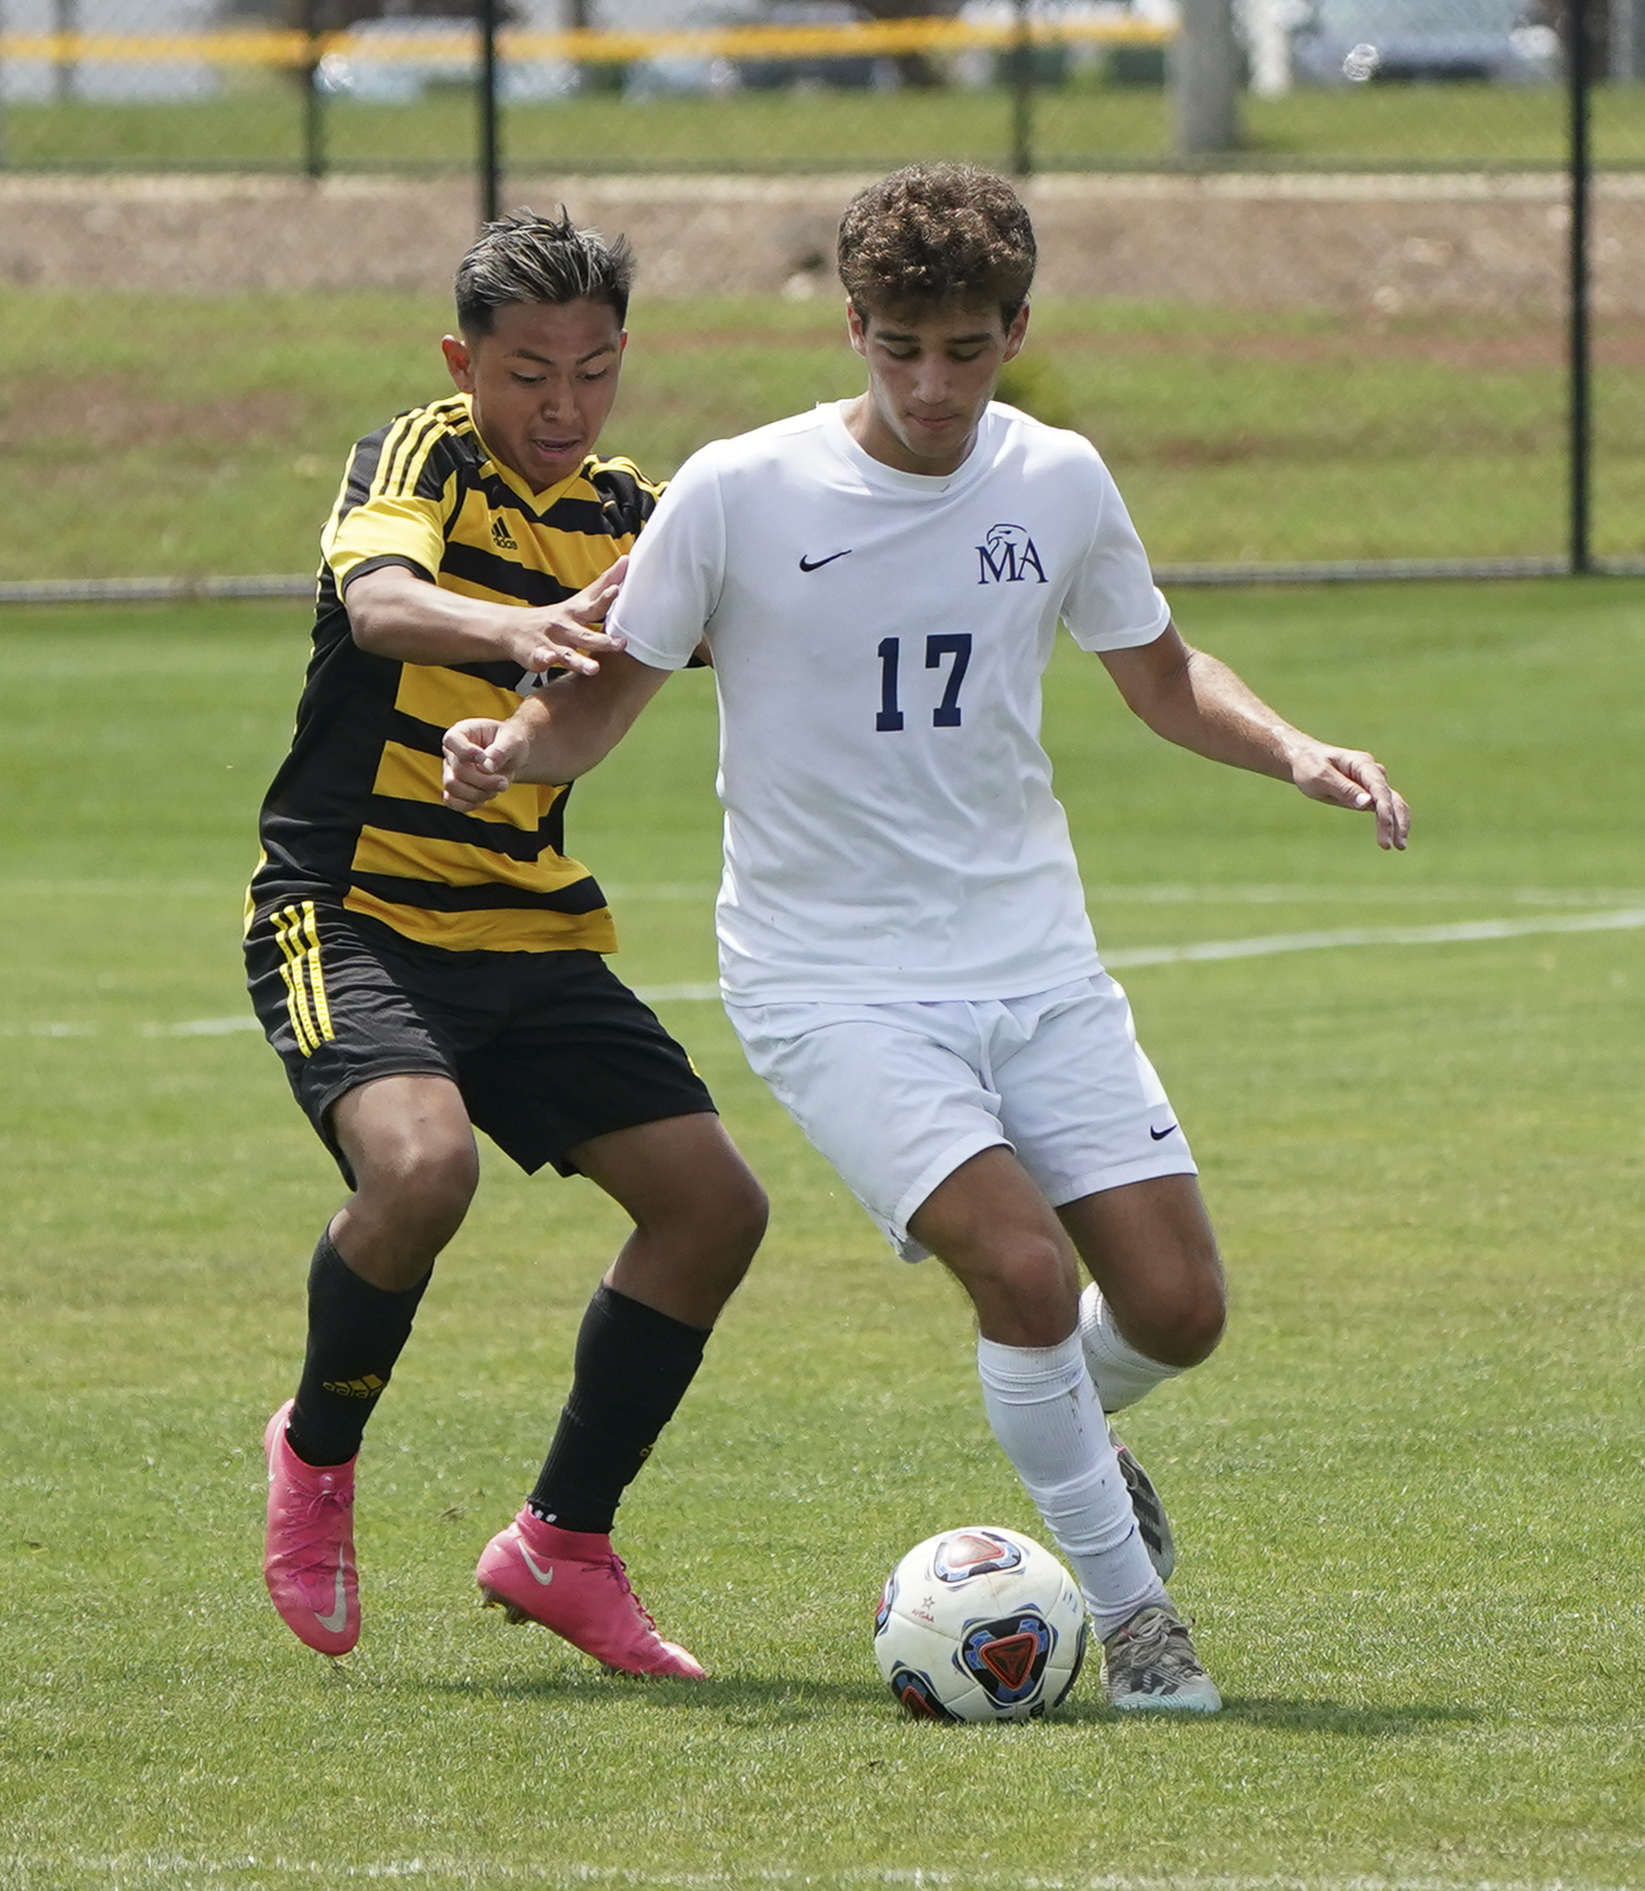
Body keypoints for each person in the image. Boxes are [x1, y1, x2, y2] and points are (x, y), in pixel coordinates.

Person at [441, 165, 1411, 1713]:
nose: (933, 384)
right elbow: (599, 704)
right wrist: (511, 750)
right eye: (900, 347)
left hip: (1032, 960)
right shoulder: (738, 491)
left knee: (1175, 1309)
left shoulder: (1058, 480)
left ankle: (1069, 1441)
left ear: (1014, 328)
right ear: (853, 328)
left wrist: (1294, 748)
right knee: (1019, 1274)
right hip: (830, 982)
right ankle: (1138, 1622)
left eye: (966, 350)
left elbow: (1157, 672)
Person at [245, 208, 767, 1678]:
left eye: (595, 371)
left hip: (528, 934)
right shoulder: (422, 455)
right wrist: (528, 628)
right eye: (530, 368)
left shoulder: (634, 508)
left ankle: (560, 1543)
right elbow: (382, 603)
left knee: (713, 1210)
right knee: (421, 1167)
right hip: (347, 911)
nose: (562, 404)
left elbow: (760, 609)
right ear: (460, 359)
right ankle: (317, 1456)